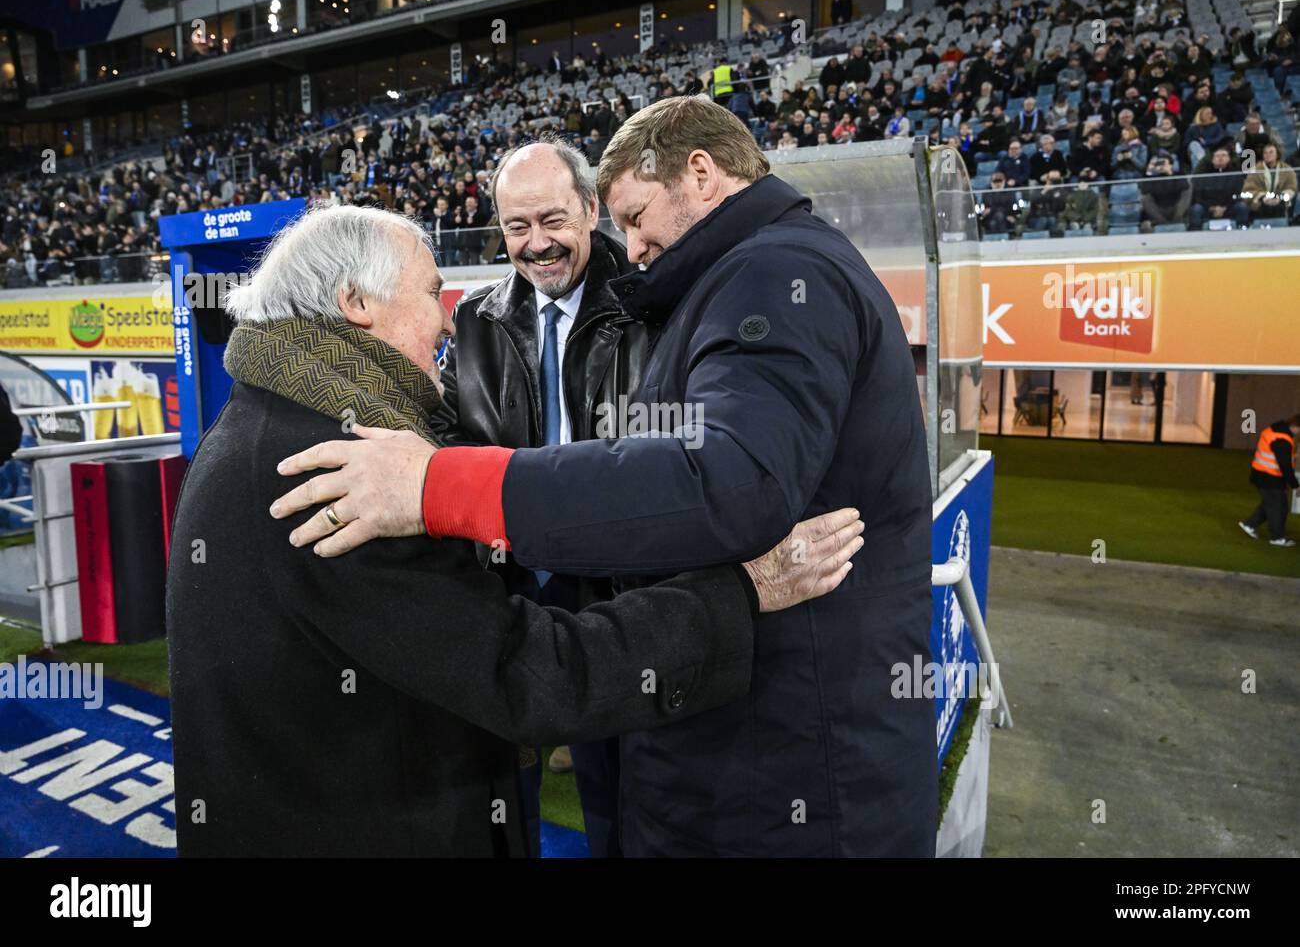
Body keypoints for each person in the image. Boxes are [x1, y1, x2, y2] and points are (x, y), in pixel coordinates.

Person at [270, 96, 938, 857]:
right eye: (515, 227)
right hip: (726, 703)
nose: (635, 243)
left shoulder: (771, 272)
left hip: (782, 740)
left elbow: (725, 480)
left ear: (702, 173)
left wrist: (440, 486)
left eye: (634, 215)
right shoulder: (741, 272)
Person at [167, 204, 862, 857]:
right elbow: (524, 676)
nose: (448, 324)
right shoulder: (342, 471)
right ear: (356, 303)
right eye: (432, 294)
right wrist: (738, 594)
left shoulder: (271, 420)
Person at [430, 136, 647, 858]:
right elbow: (460, 443)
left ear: (592, 209)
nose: (537, 244)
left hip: (619, 587)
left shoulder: (652, 304)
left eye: (553, 220)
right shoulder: (476, 321)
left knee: (621, 791)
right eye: (517, 227)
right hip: (513, 586)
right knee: (503, 790)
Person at [1239, 414, 1300, 547]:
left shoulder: (1275, 430)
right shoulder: (1282, 439)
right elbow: (1285, 465)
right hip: (1269, 478)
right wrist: (1295, 485)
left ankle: (1249, 525)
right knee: (1278, 508)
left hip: (1262, 474)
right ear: (1295, 427)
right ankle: (1277, 538)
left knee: (1272, 504)